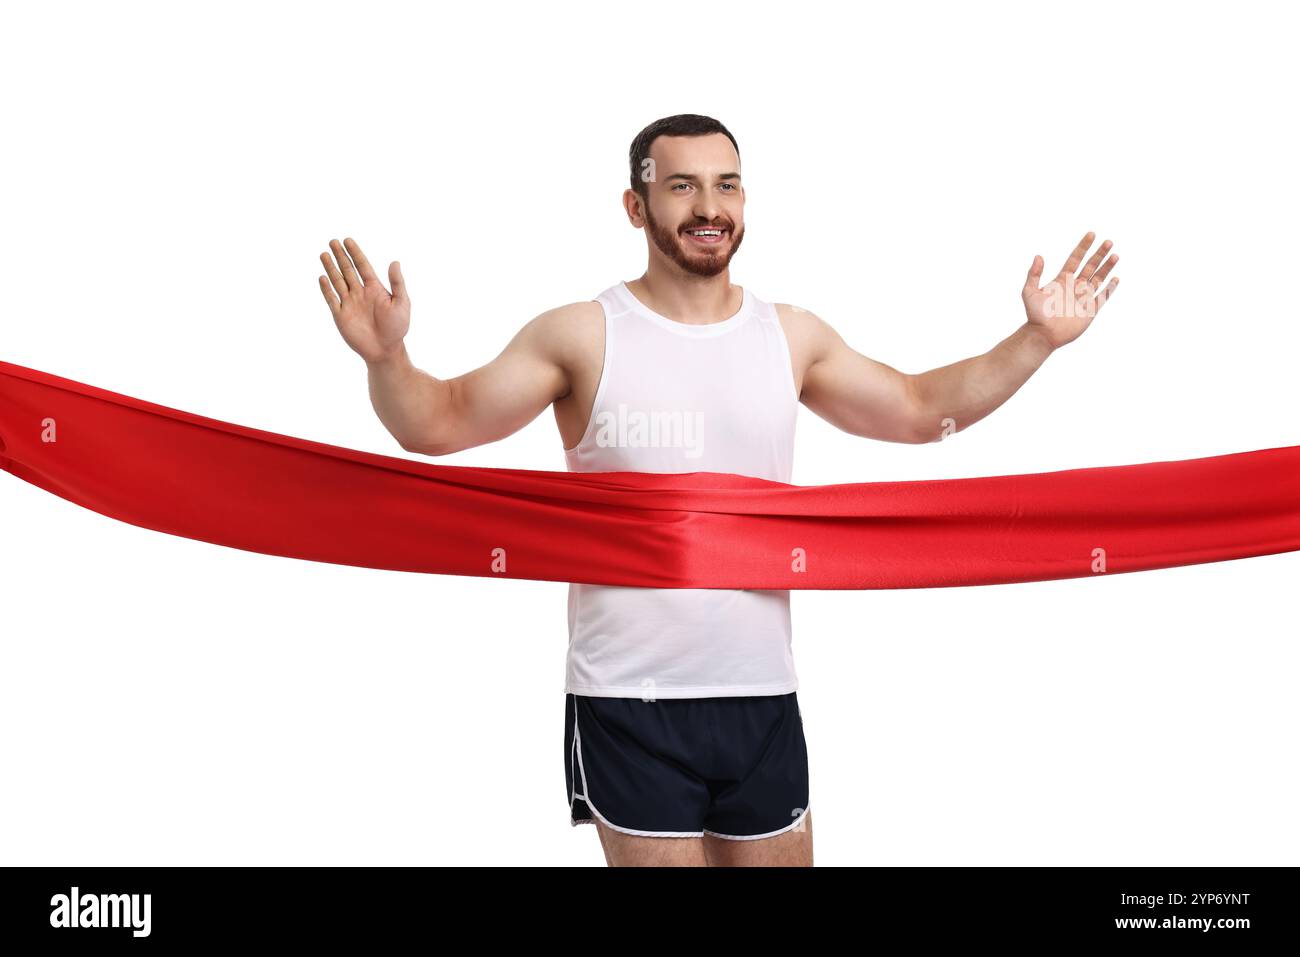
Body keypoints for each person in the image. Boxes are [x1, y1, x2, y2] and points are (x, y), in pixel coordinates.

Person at [316, 113, 1119, 867]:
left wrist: (1036, 340)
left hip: (764, 692)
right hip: (631, 700)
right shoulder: (581, 335)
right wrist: (387, 361)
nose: (710, 206)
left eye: (727, 184)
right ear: (636, 205)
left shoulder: (790, 336)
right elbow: (438, 424)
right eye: (682, 186)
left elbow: (916, 410)